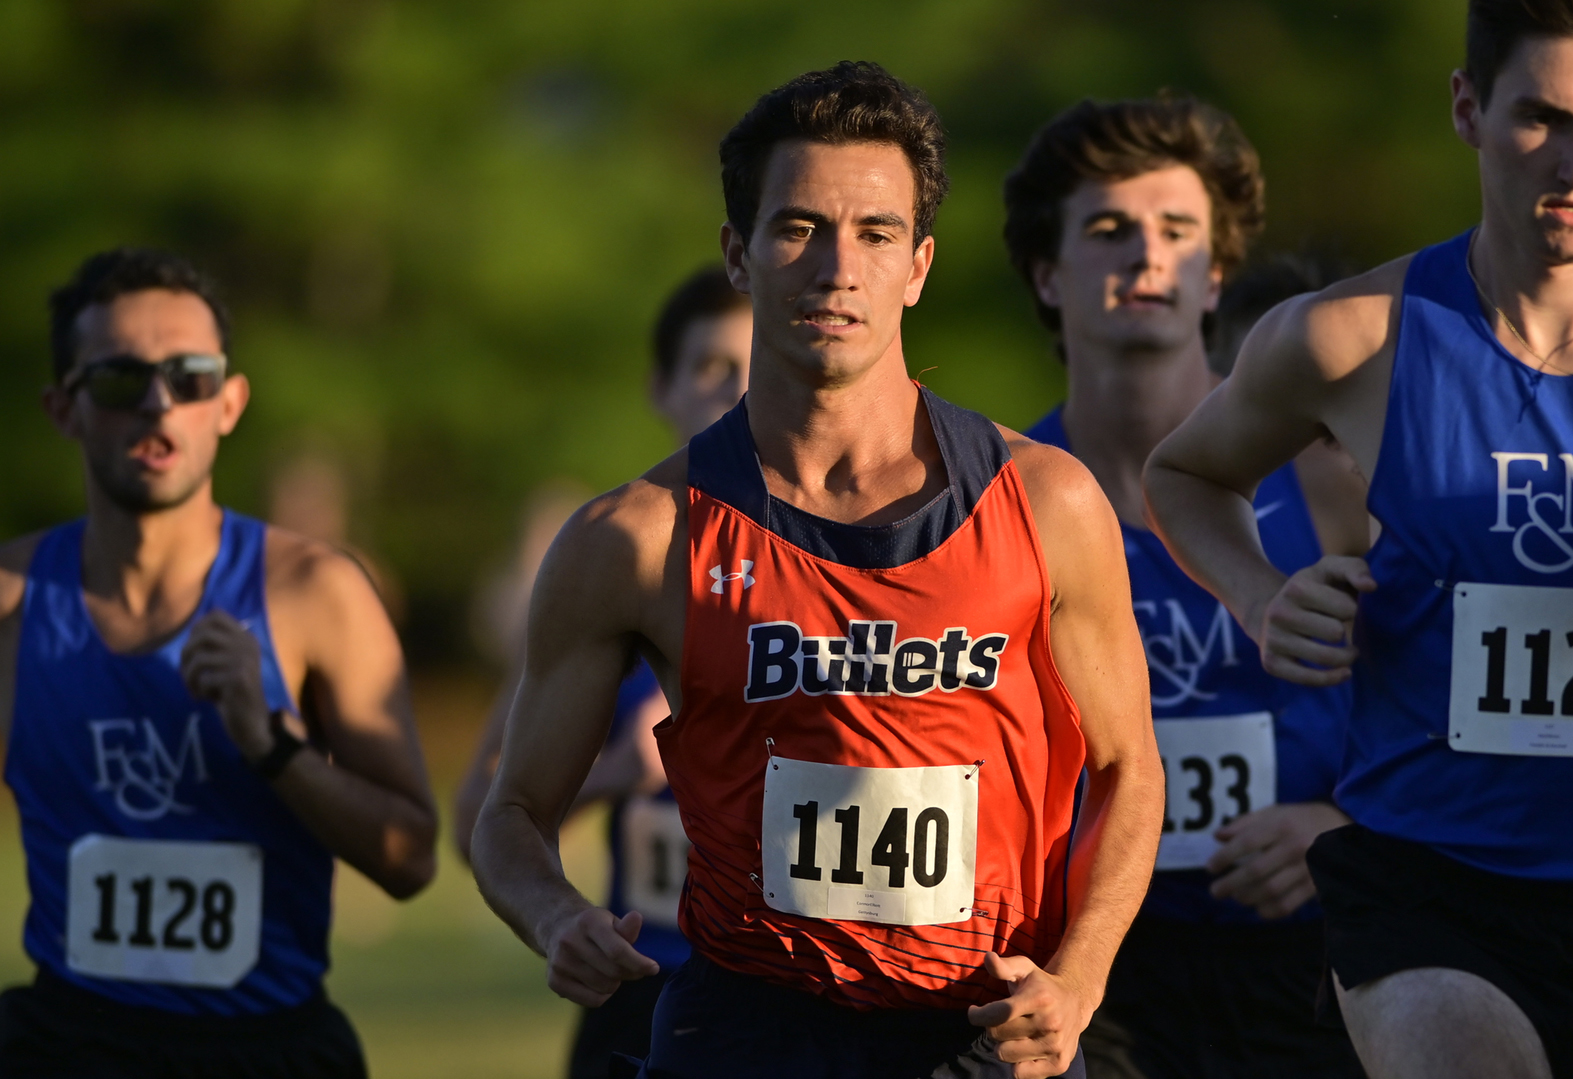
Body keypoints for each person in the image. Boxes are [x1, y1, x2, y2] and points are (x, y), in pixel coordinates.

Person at [470, 61, 1161, 1079]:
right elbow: (509, 811)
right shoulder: (637, 538)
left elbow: (1127, 769)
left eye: (874, 233)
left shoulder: (1044, 502)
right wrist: (553, 914)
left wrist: (1080, 975)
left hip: (983, 1028)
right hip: (747, 1028)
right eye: (797, 227)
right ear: (738, 255)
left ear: (917, 264)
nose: (837, 266)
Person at [1143, 0, 1573, 1075]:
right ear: (1465, 108)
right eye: (1540, 117)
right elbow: (1185, 473)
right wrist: (1259, 596)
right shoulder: (1351, 335)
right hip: (1425, 884)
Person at [0, 248, 438, 1077]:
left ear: (230, 403)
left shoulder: (317, 595)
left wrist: (272, 742)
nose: (157, 403)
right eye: (117, 380)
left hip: (268, 1046)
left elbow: (410, 859)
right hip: (66, 1041)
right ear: (61, 408)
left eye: (191, 375)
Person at [1002, 96, 1368, 1079]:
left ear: (1215, 276)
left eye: (1175, 232)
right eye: (1107, 230)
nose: (1144, 258)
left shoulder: (1325, 468)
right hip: (1094, 973)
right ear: (1047, 270)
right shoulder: (1000, 500)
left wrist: (1340, 830)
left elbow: (1448, 698)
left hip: (1315, 956)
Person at [451, 265, 752, 1079]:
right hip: (641, 987)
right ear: (661, 388)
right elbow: (479, 816)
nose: (736, 392)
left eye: (756, 369)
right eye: (711, 369)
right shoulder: (607, 574)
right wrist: (616, 771)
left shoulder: (853, 574)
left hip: (793, 997)